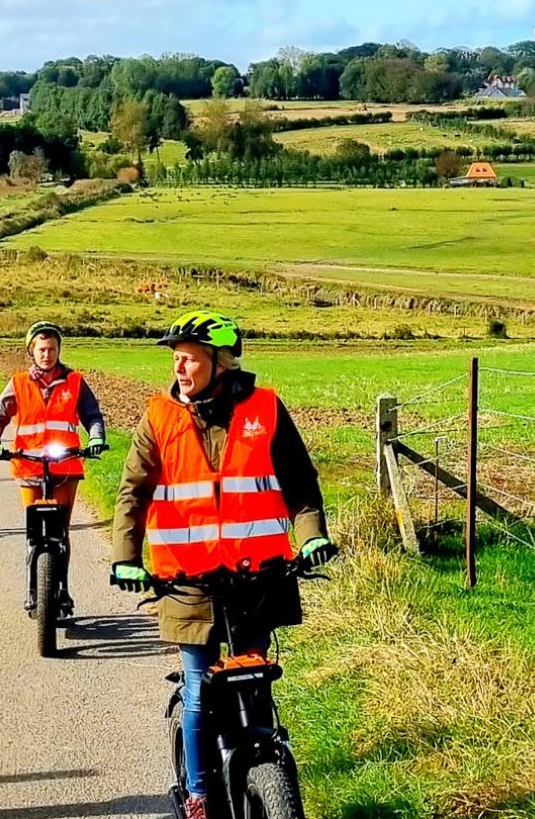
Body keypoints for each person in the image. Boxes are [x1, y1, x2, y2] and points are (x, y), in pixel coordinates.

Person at [108, 311, 336, 819]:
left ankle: (267, 780)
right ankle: (200, 794)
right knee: (198, 687)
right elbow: (133, 493)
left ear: (220, 361)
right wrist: (126, 558)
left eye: (189, 358)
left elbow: (300, 485)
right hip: (186, 583)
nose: (180, 368)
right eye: (176, 359)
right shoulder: (160, 417)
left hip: (258, 579)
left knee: (255, 683)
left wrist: (313, 536)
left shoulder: (266, 410)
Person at [0, 320, 106, 614]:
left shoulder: (75, 381)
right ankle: (31, 589)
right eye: (41, 349)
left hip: (65, 467)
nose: (47, 354)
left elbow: (92, 415)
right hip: (28, 467)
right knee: (33, 533)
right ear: (32, 351)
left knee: (61, 531)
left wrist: (97, 437)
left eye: (52, 349)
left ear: (59, 350)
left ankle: (62, 589)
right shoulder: (19, 383)